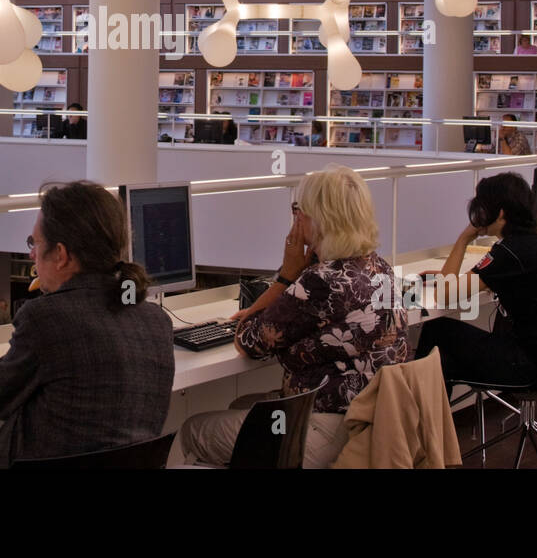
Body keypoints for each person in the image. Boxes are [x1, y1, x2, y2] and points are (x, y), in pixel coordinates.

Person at [175, 165, 408, 468]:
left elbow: (247, 341)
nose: (295, 218)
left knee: (192, 431)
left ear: (321, 219)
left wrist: (287, 275)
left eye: (299, 210)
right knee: (241, 406)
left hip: (324, 429)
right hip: (373, 423)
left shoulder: (320, 281)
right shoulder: (379, 268)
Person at [0, 181, 174, 468]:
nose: (31, 254)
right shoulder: (156, 322)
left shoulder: (44, 319)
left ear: (61, 254)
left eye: (35, 243)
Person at [416, 172, 537, 386]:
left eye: (483, 206)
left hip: (532, 365)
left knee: (437, 330)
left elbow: (444, 295)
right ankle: (432, 416)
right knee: (444, 361)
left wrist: (463, 238)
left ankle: (418, 415)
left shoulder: (508, 252)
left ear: (501, 213)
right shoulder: (536, 243)